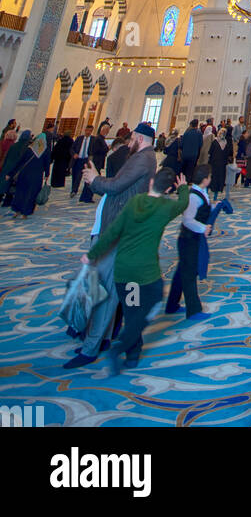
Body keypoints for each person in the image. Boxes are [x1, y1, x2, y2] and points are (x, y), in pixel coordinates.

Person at [64, 122, 158, 370]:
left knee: (105, 289)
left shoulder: (142, 159)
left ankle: (92, 347)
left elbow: (116, 186)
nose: (128, 143)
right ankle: (101, 341)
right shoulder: (145, 158)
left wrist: (95, 180)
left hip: (121, 232)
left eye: (130, 139)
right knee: (111, 291)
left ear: (138, 137)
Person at [85, 167, 191, 373]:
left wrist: (91, 254)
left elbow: (112, 231)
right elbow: (183, 203)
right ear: (169, 190)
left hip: (125, 272)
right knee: (149, 303)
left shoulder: (134, 202)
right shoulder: (165, 208)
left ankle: (132, 354)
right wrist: (184, 188)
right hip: (146, 275)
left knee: (132, 311)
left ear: (151, 183)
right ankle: (124, 347)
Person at [165, 165, 211, 320]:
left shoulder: (201, 193)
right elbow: (188, 220)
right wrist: (203, 227)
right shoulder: (193, 196)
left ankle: (172, 305)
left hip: (193, 238)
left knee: (181, 272)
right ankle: (194, 310)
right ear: (204, 179)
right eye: (209, 176)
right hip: (189, 239)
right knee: (189, 273)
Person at [9, 133, 50, 216]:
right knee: (31, 193)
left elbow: (20, 162)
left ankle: (17, 209)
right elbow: (47, 163)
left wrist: (11, 173)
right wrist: (47, 174)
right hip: (36, 175)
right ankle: (26, 211)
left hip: (25, 174)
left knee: (21, 191)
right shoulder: (45, 150)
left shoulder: (30, 148)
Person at [208, 129, 229, 198]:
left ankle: (215, 194)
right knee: (216, 178)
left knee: (216, 178)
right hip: (218, 164)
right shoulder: (220, 142)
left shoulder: (221, 142)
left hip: (217, 163)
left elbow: (210, 152)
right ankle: (214, 193)